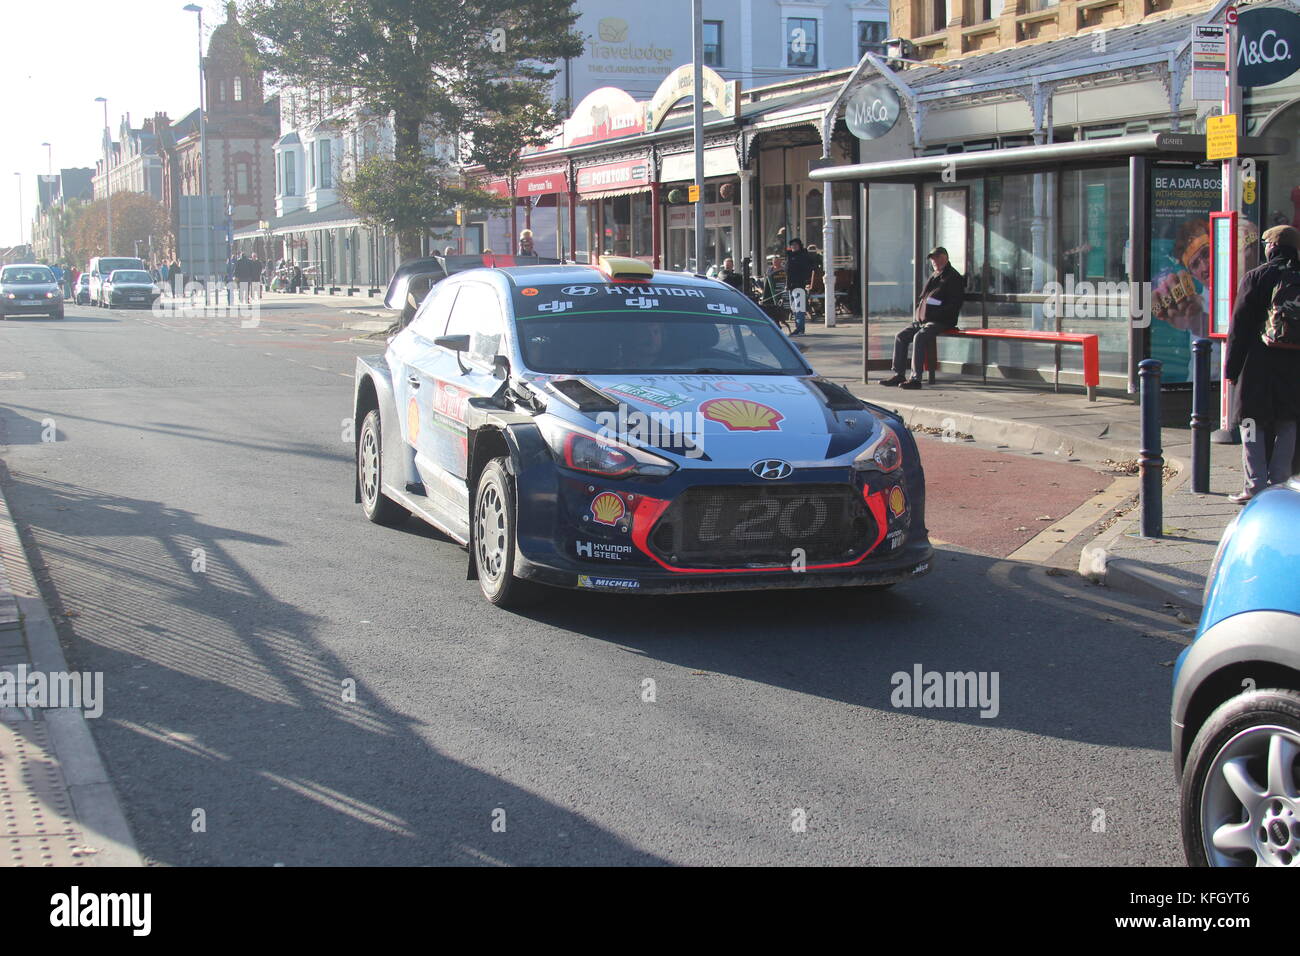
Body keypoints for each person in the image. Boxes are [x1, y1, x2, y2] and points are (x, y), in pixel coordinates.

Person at [1224, 224, 1300, 503]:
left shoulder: (1256, 277)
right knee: (1288, 421)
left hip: (1257, 362)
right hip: (1294, 365)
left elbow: (1239, 326)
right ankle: (1280, 484)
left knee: (1251, 421)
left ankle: (1254, 486)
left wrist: (1231, 369)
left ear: (1272, 247)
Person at [882, 246, 965, 389]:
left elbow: (954, 305)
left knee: (919, 337)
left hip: (941, 321)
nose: (934, 262)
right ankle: (898, 374)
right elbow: (924, 298)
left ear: (945, 258)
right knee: (901, 336)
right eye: (932, 259)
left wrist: (934, 314)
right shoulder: (934, 275)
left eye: (937, 258)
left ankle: (915, 379)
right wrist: (918, 312)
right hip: (924, 320)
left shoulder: (952, 277)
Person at [784, 238, 814, 335]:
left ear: (800, 246)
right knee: (793, 307)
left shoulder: (803, 256)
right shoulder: (790, 256)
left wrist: (803, 280)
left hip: (799, 284)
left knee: (799, 308)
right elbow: (788, 272)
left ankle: (800, 328)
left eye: (796, 245)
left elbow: (806, 270)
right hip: (791, 285)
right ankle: (798, 327)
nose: (794, 246)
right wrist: (787, 284)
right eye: (792, 245)